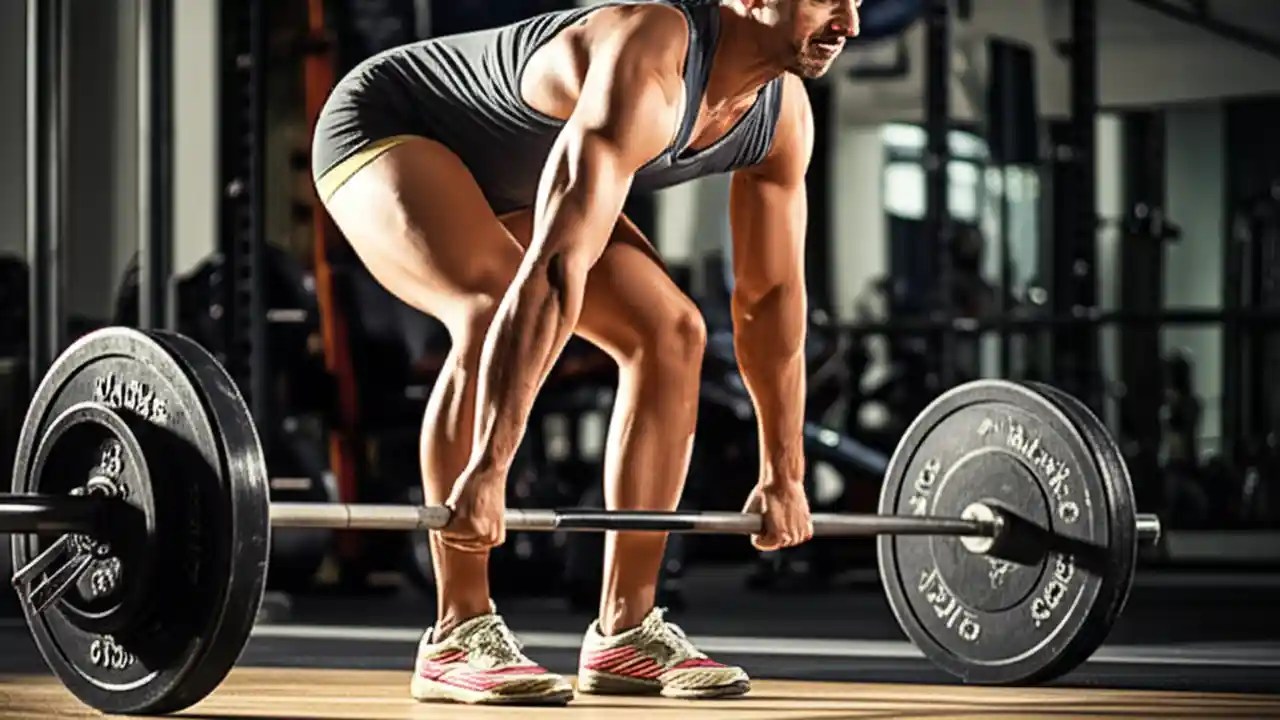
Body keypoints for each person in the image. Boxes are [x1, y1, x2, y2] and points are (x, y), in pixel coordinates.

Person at [312, 0, 860, 705]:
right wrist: (488, 465)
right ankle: (457, 631)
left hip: (514, 180)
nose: (848, 23)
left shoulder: (781, 118)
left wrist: (783, 471)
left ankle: (625, 633)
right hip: (393, 127)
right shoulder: (652, 48)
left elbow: (771, 300)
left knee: (673, 332)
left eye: (855, 1)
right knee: (488, 308)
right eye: (826, 1)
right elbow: (554, 270)